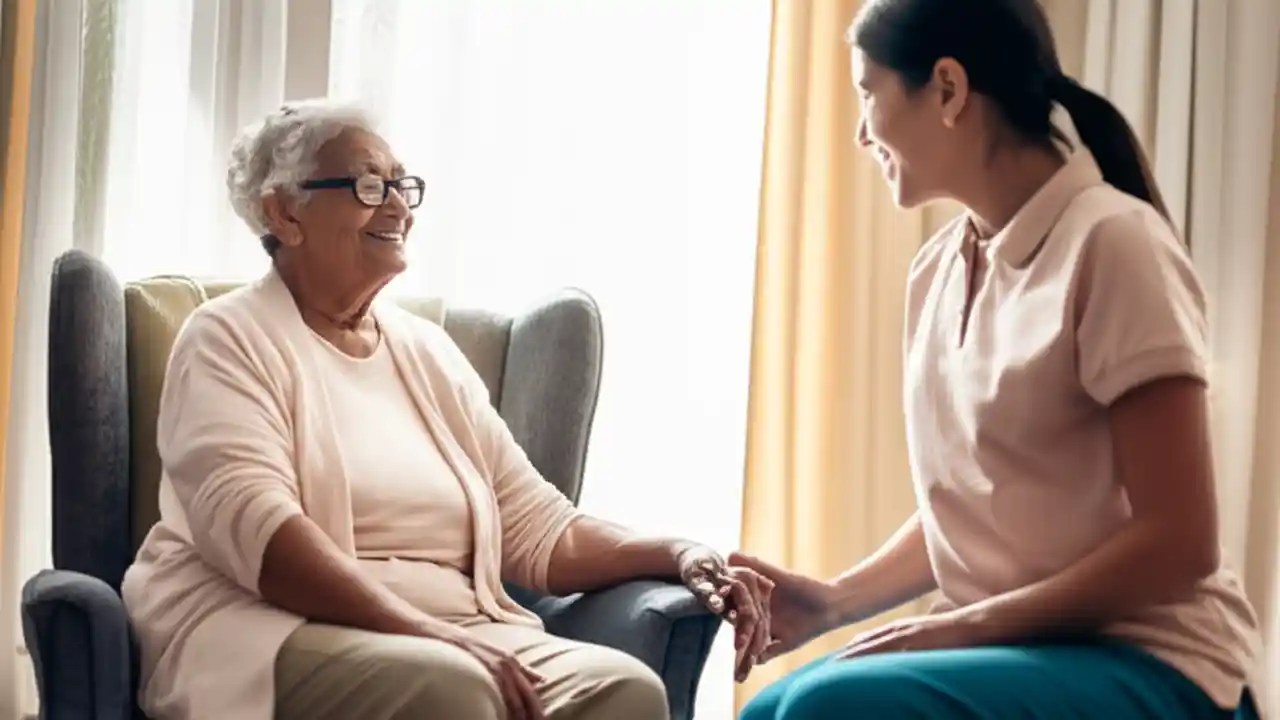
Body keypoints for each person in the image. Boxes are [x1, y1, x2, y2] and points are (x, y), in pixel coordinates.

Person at [121, 100, 772, 720]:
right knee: (454, 686)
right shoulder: (226, 338)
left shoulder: (427, 351)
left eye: (402, 185)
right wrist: (430, 634)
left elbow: (540, 529)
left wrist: (682, 551)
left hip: (450, 636)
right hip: (270, 626)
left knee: (622, 690)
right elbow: (262, 537)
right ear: (284, 213)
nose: (398, 206)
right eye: (369, 186)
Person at [735, 1, 1263, 718]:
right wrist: (833, 602)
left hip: (1152, 659)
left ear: (948, 89)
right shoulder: (938, 271)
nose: (861, 133)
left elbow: (1181, 543)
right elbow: (978, 512)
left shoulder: (1115, 244)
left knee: (825, 709)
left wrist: (962, 627)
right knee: (767, 710)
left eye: (868, 93)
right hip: (1020, 648)